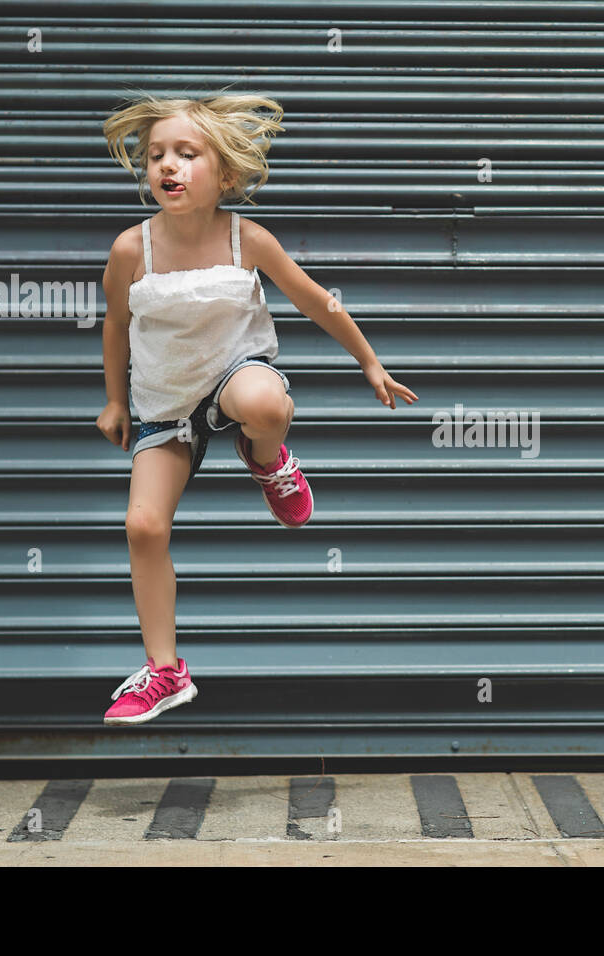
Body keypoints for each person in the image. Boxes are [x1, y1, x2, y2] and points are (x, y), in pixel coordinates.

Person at [94, 91, 418, 725]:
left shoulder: (248, 240)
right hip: (167, 403)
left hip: (237, 378)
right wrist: (113, 399)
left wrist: (370, 363)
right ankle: (165, 672)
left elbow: (316, 301)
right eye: (156, 154)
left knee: (263, 401)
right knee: (143, 528)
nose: (169, 166)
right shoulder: (133, 249)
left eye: (188, 154)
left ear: (227, 173)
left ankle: (266, 457)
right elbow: (114, 322)